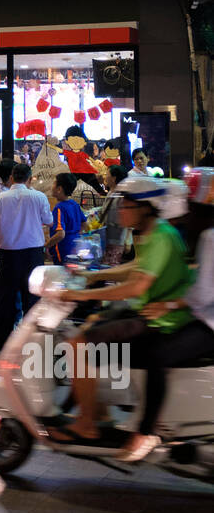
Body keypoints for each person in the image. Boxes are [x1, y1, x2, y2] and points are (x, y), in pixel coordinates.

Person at [47, 177, 192, 448]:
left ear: (146, 208)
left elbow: (136, 286)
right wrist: (95, 275)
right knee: (93, 324)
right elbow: (136, 268)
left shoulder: (161, 235)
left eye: (127, 206)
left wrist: (82, 294)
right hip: (148, 312)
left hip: (158, 319)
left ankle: (86, 425)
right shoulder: (152, 232)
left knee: (77, 344)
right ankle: (99, 412)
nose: (121, 211)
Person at [116, 167, 214, 460]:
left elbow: (203, 294)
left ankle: (145, 431)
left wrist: (169, 304)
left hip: (208, 323)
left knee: (156, 354)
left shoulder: (209, 237)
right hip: (202, 314)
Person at [0, 162, 52, 350]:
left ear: (12, 178)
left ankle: (1, 340)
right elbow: (49, 220)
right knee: (32, 298)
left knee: (6, 298)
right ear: (30, 179)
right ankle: (33, 341)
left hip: (8, 255)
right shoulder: (39, 197)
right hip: (33, 255)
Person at [46, 172, 87, 264]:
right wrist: (75, 236)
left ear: (59, 189)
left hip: (63, 249)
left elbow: (60, 234)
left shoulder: (59, 208)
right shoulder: (75, 204)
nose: (51, 186)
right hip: (75, 247)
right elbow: (84, 224)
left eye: (54, 183)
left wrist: (46, 246)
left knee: (61, 274)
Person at [94, 162, 131, 265]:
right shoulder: (111, 192)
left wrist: (128, 241)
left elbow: (128, 219)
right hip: (107, 238)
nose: (105, 177)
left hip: (117, 240)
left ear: (114, 178)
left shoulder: (122, 195)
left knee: (112, 267)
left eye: (107, 175)